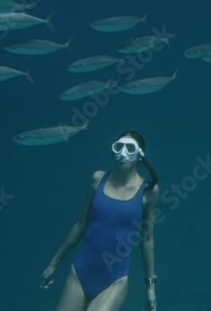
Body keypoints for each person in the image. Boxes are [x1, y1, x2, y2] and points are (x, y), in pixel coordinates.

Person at [40, 131, 160, 311]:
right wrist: (53, 265)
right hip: (79, 275)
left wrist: (150, 287)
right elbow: (80, 225)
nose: (123, 153)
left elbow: (147, 239)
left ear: (140, 155)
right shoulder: (98, 179)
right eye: (119, 147)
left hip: (114, 282)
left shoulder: (149, 192)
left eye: (130, 148)